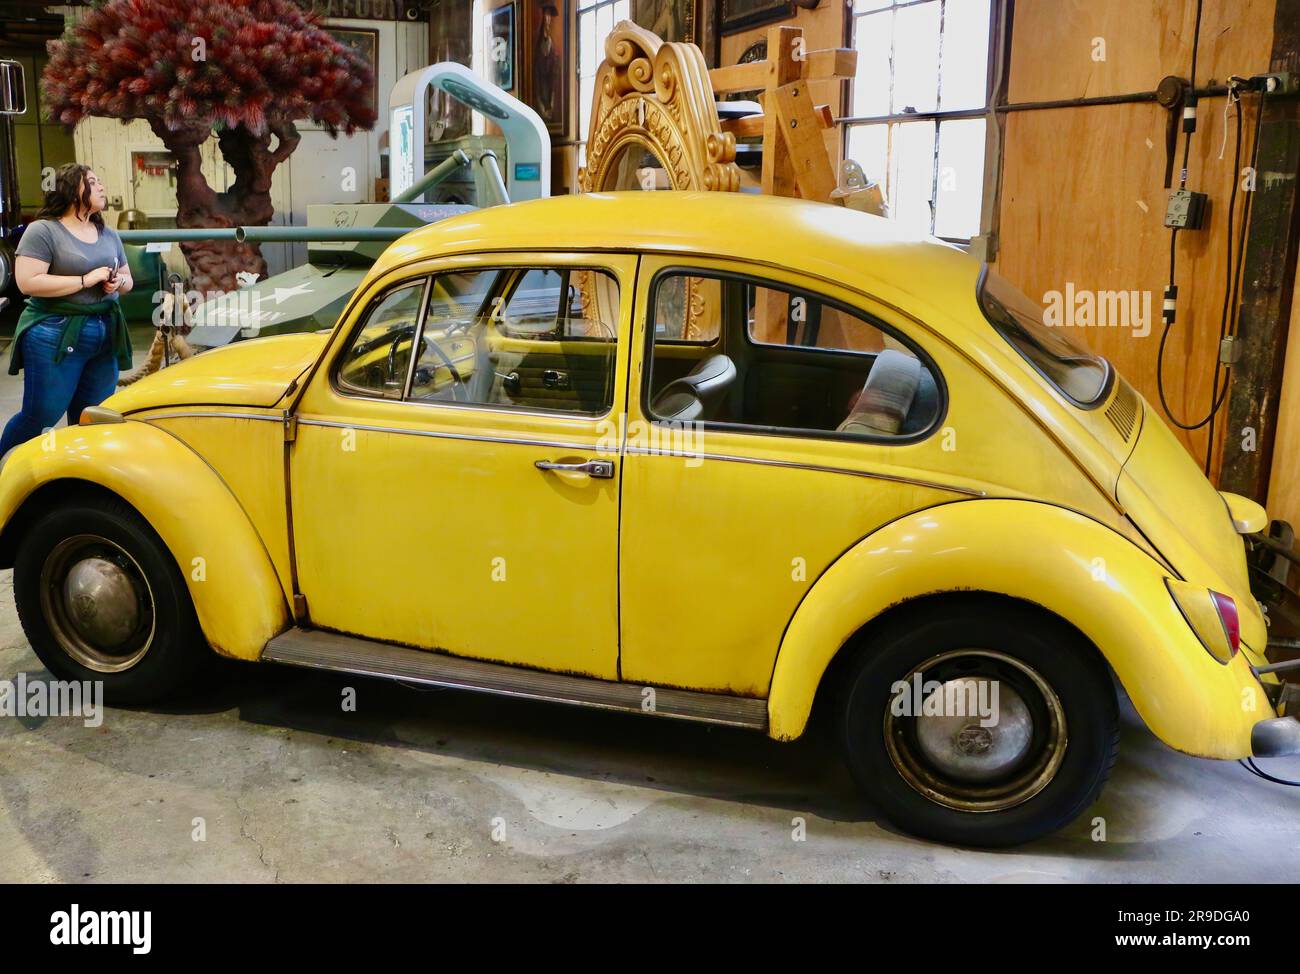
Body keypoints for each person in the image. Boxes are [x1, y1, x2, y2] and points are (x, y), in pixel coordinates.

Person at [1, 163, 133, 456]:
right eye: (92, 182)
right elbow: (28, 282)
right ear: (73, 190)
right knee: (40, 416)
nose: (101, 186)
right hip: (54, 332)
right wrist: (85, 280)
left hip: (104, 333)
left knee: (93, 419)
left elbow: (128, 281)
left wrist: (116, 281)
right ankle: (5, 470)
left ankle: (77, 482)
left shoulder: (108, 233)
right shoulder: (43, 230)